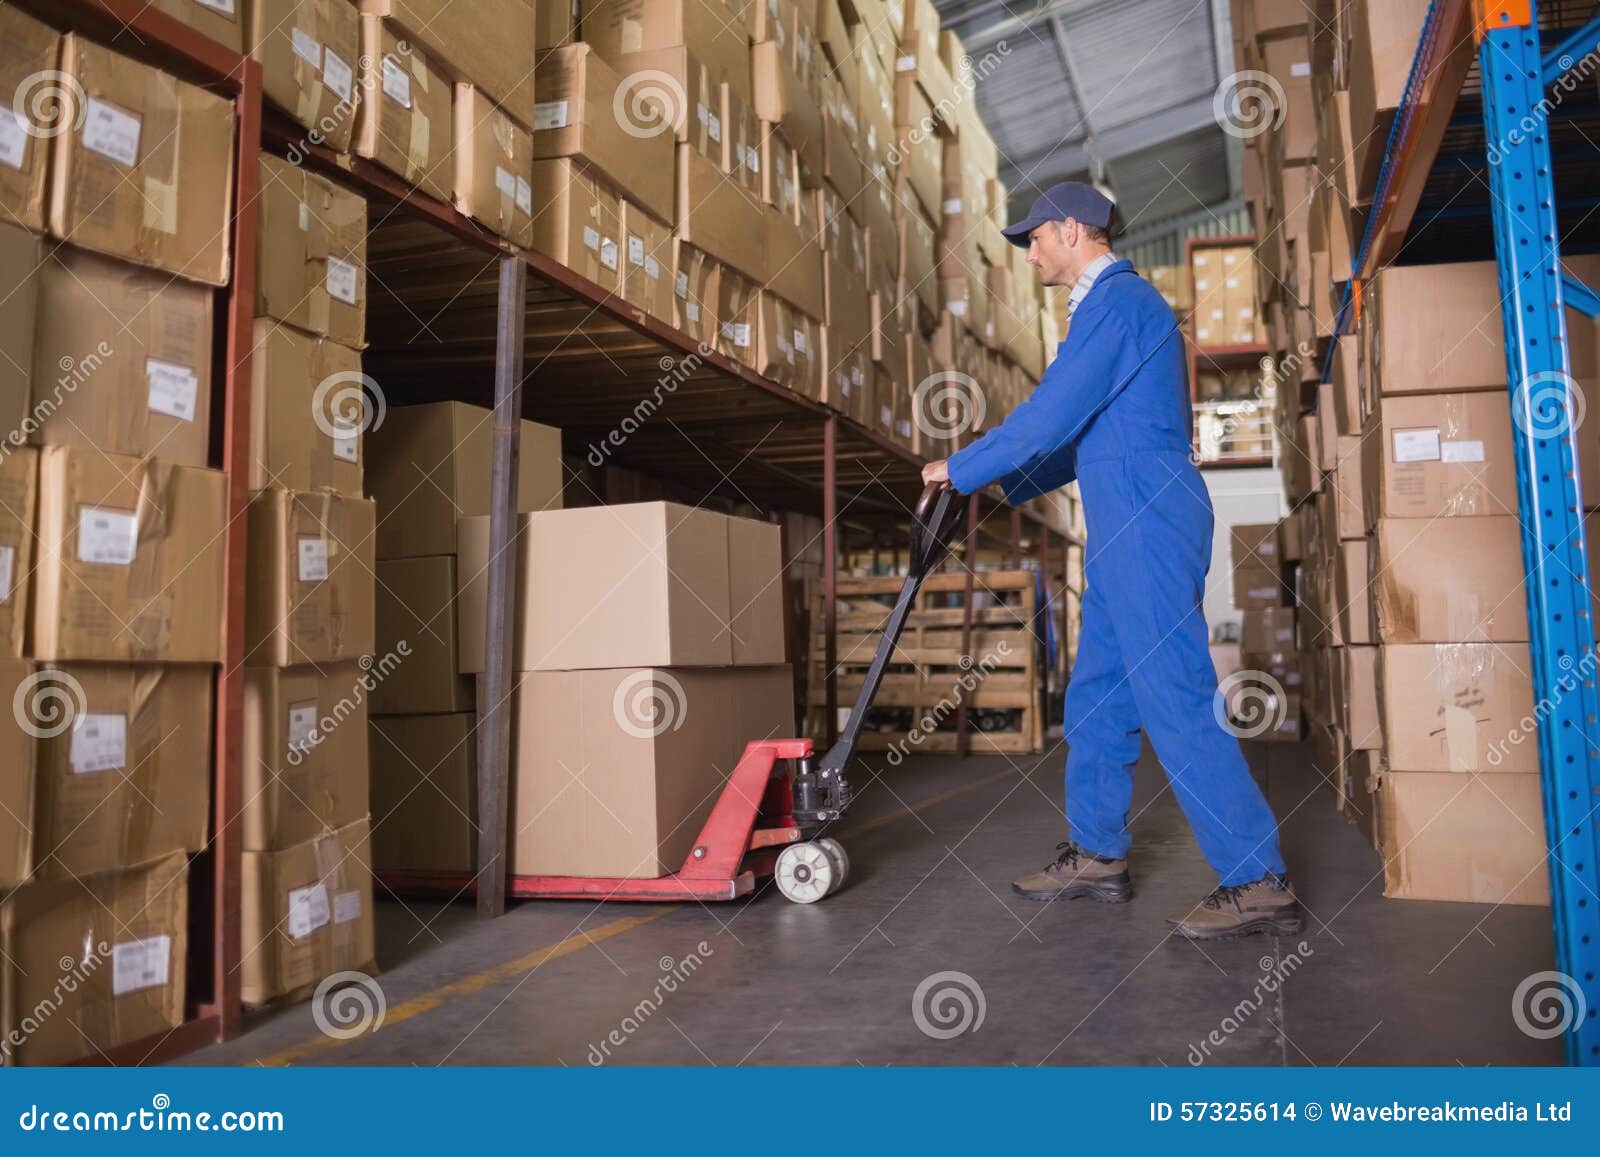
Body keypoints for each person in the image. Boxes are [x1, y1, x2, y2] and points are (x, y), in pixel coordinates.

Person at [921, 182, 1302, 940]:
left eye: (1035, 237)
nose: (1029, 252)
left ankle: (1257, 876)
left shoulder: (1119, 305)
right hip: (1125, 513)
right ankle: (1098, 853)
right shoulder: (1106, 312)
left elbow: (1055, 411)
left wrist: (962, 466)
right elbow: (1079, 437)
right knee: (1098, 692)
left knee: (1175, 691)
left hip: (1147, 515)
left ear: (1073, 230)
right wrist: (1005, 479)